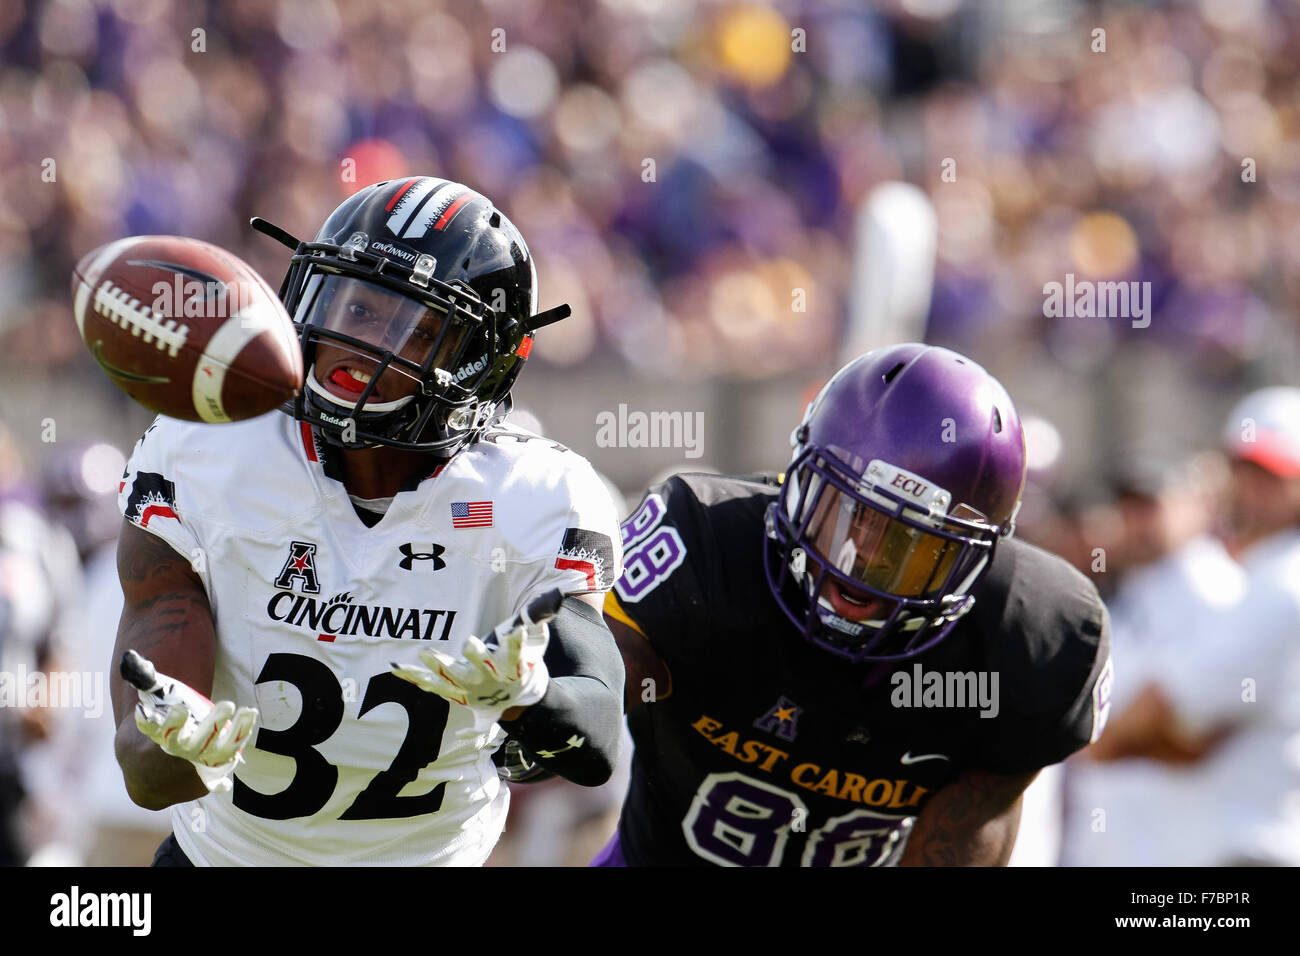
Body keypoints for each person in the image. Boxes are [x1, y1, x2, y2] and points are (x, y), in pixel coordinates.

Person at [110, 177, 625, 866]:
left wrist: (530, 695)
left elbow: (592, 734)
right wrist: (169, 740)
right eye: (352, 305)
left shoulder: (536, 495)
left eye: (412, 327)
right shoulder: (208, 453)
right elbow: (150, 775)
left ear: (482, 361)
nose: (357, 345)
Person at [597, 343, 1112, 866]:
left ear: (969, 557)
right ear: (798, 475)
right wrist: (548, 701)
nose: (861, 552)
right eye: (846, 511)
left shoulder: (1027, 633)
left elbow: (971, 828)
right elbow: (592, 689)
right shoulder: (708, 545)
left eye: (905, 544)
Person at [1087, 387, 1300, 865]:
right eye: (1246, 471)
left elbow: (1166, 712)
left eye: (1273, 477)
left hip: (1254, 852)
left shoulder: (1285, 585)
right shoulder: (1260, 575)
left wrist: (1110, 742)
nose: (1253, 490)